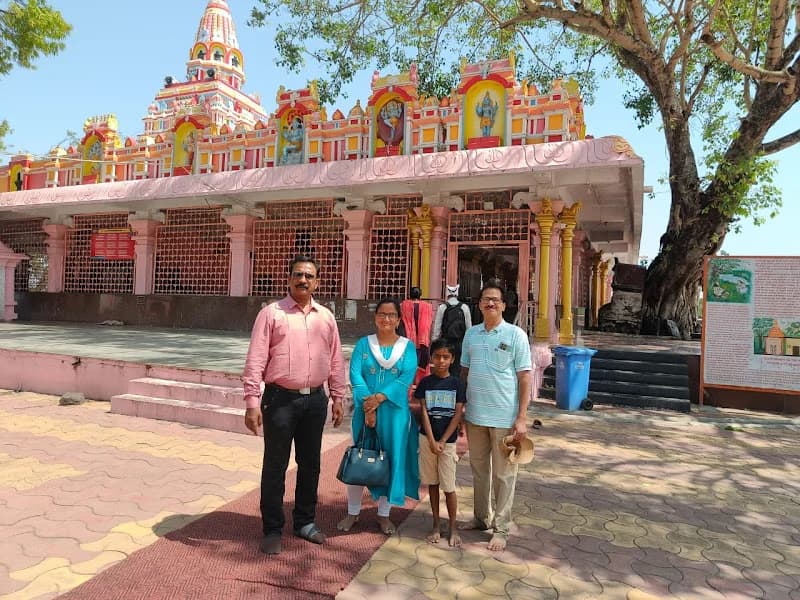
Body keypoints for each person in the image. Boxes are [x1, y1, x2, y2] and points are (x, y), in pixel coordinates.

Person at [242, 255, 346, 555]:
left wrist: (338, 396)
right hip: (280, 400)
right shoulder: (271, 314)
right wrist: (252, 402)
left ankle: (304, 522)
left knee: (311, 464)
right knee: (275, 465)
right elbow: (256, 359)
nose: (303, 280)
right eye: (298, 274)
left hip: (315, 400)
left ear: (317, 282)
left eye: (309, 276)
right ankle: (272, 529)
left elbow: (336, 359)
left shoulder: (325, 317)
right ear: (288, 279)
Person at [459, 280, 532, 551]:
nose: (491, 303)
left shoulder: (516, 335)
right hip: (475, 416)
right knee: (479, 471)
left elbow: (525, 377)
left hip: (505, 418)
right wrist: (460, 410)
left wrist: (521, 417)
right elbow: (464, 374)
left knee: (504, 475)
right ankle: (481, 518)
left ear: (503, 305)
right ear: (479, 304)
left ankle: (501, 528)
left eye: (496, 300)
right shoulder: (471, 335)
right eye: (486, 299)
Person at [337, 298, 420, 535]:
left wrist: (379, 399)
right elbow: (355, 375)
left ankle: (384, 515)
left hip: (395, 413)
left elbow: (406, 377)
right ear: (375, 318)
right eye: (382, 314)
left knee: (390, 460)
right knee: (358, 457)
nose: (386, 319)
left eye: (391, 315)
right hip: (365, 411)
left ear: (398, 319)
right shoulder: (364, 345)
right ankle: (353, 512)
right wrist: (369, 407)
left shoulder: (408, 347)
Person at [414, 338, 466, 547]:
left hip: (448, 443)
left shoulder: (457, 384)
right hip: (427, 440)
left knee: (449, 486)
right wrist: (432, 440)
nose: (441, 360)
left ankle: (452, 527)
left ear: (452, 359)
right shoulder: (425, 383)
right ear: (431, 358)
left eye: (446, 357)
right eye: (437, 356)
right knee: (432, 484)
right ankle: (436, 525)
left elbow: (457, 414)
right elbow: (424, 412)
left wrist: (443, 441)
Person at [432, 284, 472, 376]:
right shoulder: (464, 307)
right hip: (460, 343)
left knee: (444, 366)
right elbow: (469, 328)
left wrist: (434, 342)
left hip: (445, 342)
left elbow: (437, 327)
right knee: (457, 366)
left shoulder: (442, 307)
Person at [400, 286, 433, 376]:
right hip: (423, 338)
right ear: (420, 294)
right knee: (423, 361)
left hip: (408, 337)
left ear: (410, 294)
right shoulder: (428, 306)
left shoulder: (403, 305)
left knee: (408, 360)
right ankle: (421, 379)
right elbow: (430, 321)